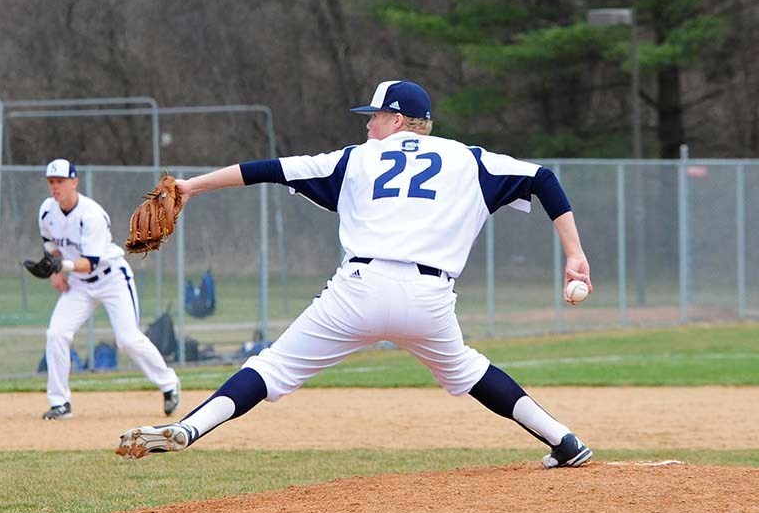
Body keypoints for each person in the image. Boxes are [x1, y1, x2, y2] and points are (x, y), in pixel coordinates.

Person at [115, 81, 593, 468]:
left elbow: (267, 169)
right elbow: (543, 179)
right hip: (429, 298)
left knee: (272, 367)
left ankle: (190, 427)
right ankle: (564, 440)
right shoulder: (471, 159)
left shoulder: (353, 159)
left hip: (358, 291)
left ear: (399, 119)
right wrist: (574, 254)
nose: (368, 124)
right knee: (468, 371)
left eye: (376, 116)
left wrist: (192, 187)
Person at [36, 158, 181, 420]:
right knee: (56, 334)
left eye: (60, 181)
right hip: (79, 285)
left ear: (74, 182)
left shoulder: (91, 215)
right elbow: (49, 242)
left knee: (127, 339)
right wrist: (56, 270)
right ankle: (60, 403)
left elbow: (90, 263)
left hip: (111, 278)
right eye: (51, 182)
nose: (55, 187)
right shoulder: (47, 210)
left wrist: (61, 265)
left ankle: (169, 383)